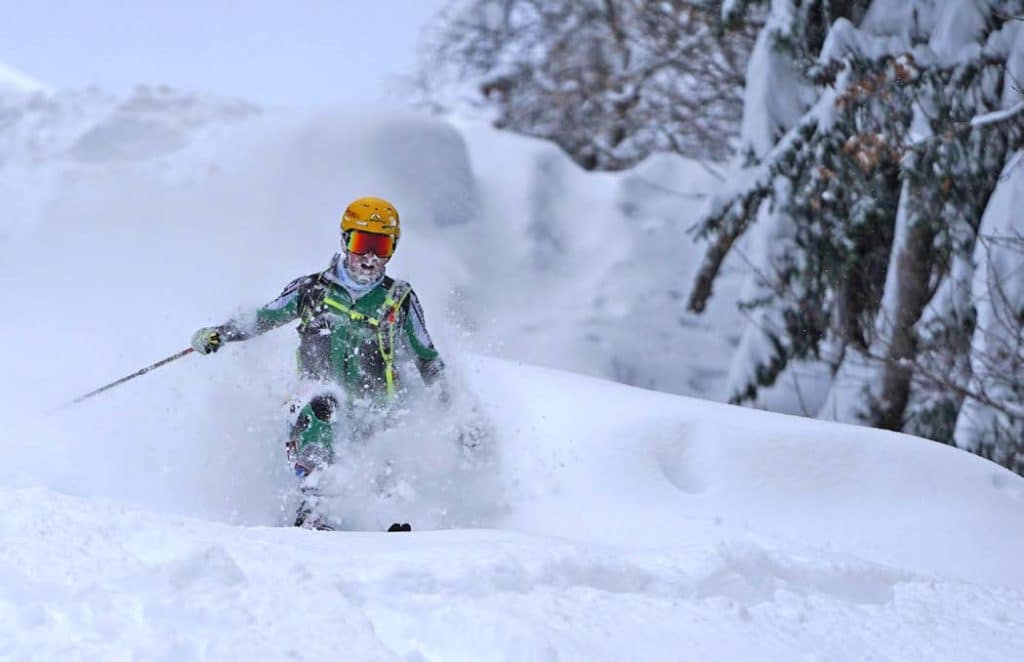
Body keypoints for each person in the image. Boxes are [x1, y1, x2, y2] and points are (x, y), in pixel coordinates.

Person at [190, 196, 445, 531]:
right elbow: (264, 317)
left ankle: (385, 524)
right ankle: (314, 510)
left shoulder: (398, 300)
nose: (369, 258)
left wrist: (453, 408)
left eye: (380, 247)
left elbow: (427, 358)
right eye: (361, 243)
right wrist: (221, 334)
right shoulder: (313, 290)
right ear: (345, 240)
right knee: (325, 405)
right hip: (312, 406)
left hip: (371, 413)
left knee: (387, 438)